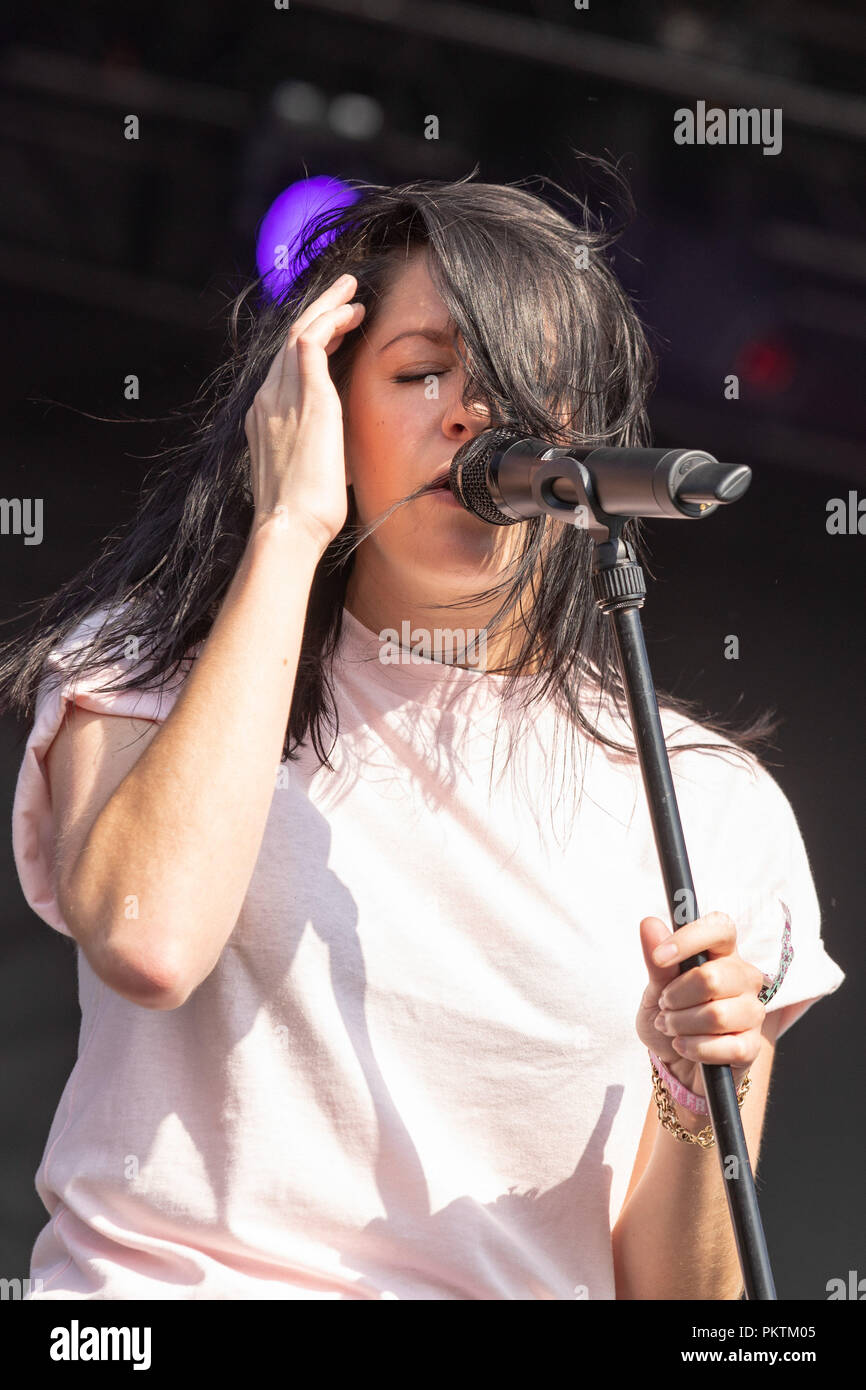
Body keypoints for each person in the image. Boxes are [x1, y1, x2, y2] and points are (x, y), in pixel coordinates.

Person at [3, 167, 845, 1301]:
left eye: (518, 382)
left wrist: (694, 1097)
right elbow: (148, 944)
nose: (470, 413)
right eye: (421, 371)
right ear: (322, 407)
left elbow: (686, 1307)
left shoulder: (710, 804)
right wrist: (292, 524)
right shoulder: (150, 669)